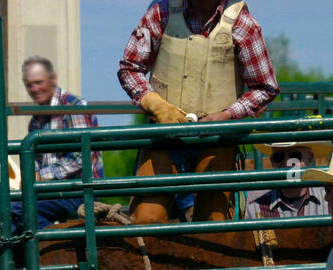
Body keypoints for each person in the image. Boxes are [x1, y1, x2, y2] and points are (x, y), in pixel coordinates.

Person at [118, 0, 278, 223]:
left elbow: (265, 86)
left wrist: (227, 115)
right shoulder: (160, 12)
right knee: (146, 220)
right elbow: (130, 67)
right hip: (164, 137)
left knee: (214, 221)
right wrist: (156, 105)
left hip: (218, 138)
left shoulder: (243, 24)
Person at [10, 56, 105, 232]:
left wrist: (41, 175)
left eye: (39, 82)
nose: (34, 89)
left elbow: (81, 158)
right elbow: (36, 163)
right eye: (29, 84)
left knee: (19, 210)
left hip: (82, 189)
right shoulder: (36, 120)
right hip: (54, 191)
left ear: (52, 79)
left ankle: (52, 250)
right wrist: (34, 176)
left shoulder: (73, 106)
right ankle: (43, 251)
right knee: (11, 209)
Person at [244, 141, 331, 220]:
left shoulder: (330, 203)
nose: (286, 163)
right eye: (279, 157)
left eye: (294, 156)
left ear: (310, 158)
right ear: (272, 161)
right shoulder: (255, 210)